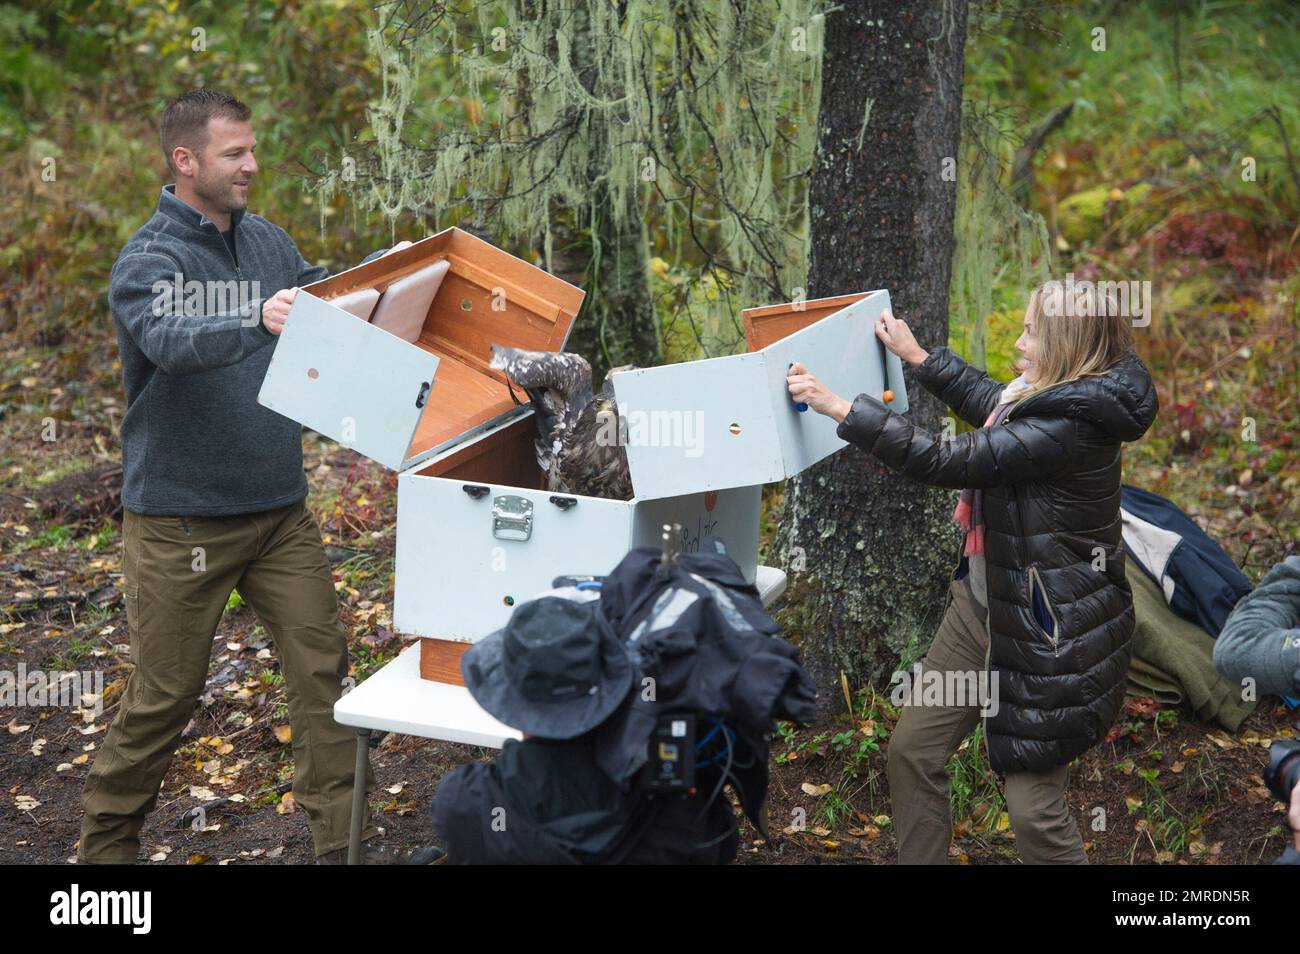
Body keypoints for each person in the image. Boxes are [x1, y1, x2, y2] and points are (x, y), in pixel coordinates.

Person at [79, 88, 430, 865]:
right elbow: (172, 339)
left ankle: (341, 851)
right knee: (165, 697)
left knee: (322, 675)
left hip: (278, 513)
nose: (251, 164)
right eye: (233, 153)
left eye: (252, 149)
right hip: (180, 522)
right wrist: (255, 318)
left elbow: (323, 300)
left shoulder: (266, 240)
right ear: (185, 161)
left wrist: (391, 282)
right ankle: (104, 857)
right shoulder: (149, 261)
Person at [787, 280, 1158, 863]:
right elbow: (997, 407)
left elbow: (950, 459)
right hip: (985, 602)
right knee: (913, 751)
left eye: (1031, 332)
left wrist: (842, 408)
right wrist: (921, 359)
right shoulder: (1053, 396)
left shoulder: (1072, 427)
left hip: (1048, 629)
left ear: (1066, 345)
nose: (1018, 340)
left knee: (1033, 809)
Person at [432, 594, 739, 864]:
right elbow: (721, 845)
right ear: (612, 685)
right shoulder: (675, 804)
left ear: (509, 693)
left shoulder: (465, 804)